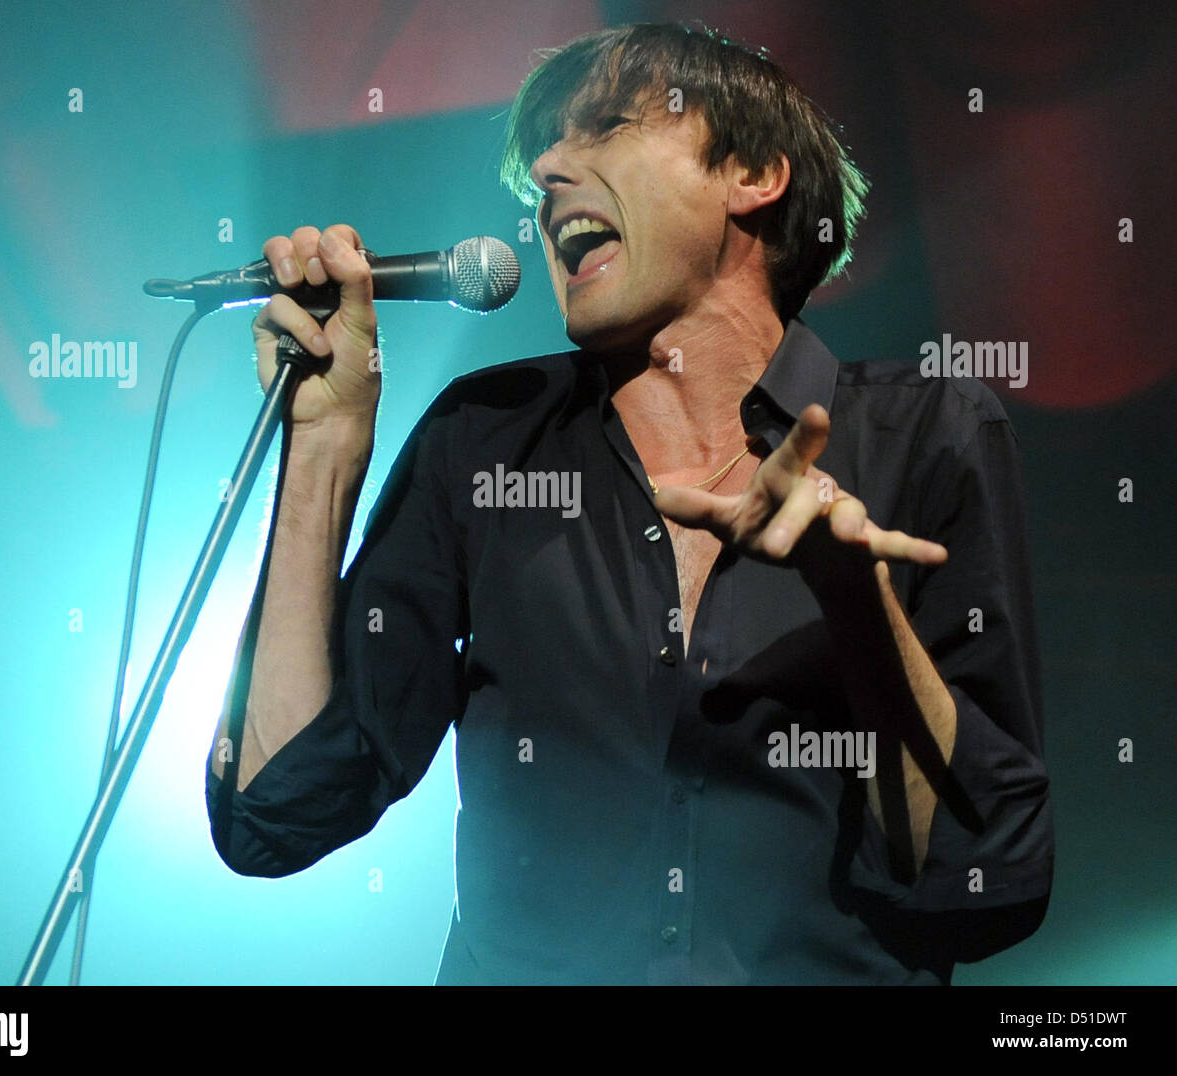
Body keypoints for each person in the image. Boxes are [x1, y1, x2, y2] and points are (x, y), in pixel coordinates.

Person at [205, 23, 1053, 985]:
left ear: (755, 173)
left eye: (602, 128)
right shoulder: (483, 441)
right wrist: (320, 446)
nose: (551, 172)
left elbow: (989, 879)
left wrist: (856, 602)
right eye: (538, 168)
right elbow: (275, 813)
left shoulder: (925, 434)